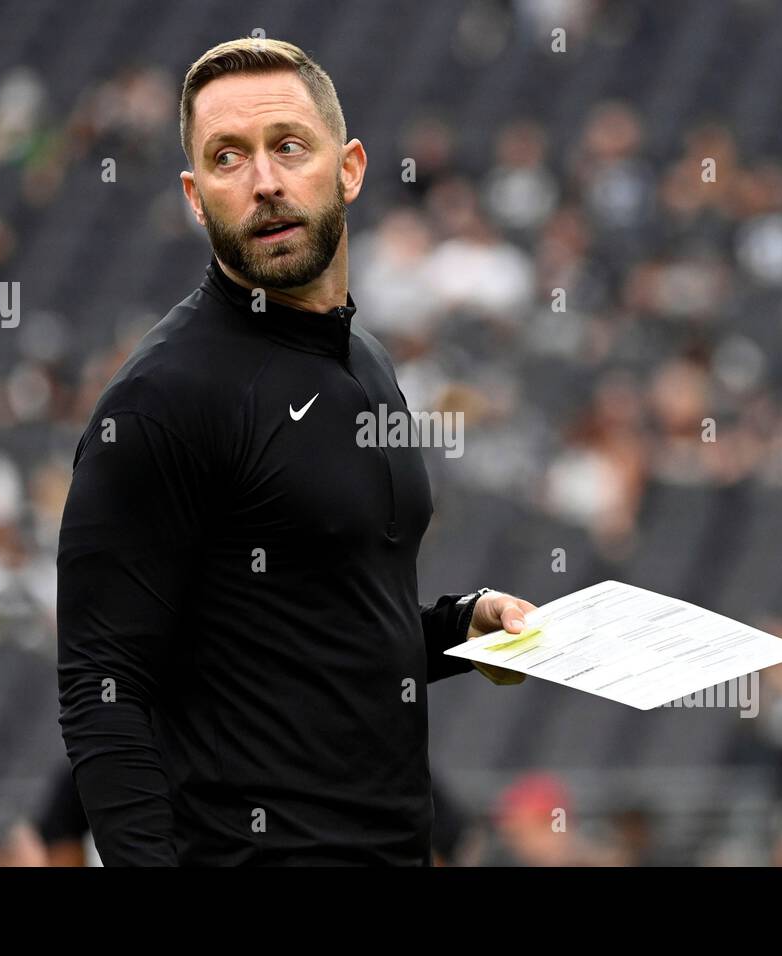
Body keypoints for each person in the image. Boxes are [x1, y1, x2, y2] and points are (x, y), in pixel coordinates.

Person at [57, 37, 535, 866]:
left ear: (347, 168)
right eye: (227, 158)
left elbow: (330, 631)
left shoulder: (369, 363)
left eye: (287, 147)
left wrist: (465, 625)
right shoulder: (161, 400)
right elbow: (103, 689)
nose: (265, 182)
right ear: (195, 198)